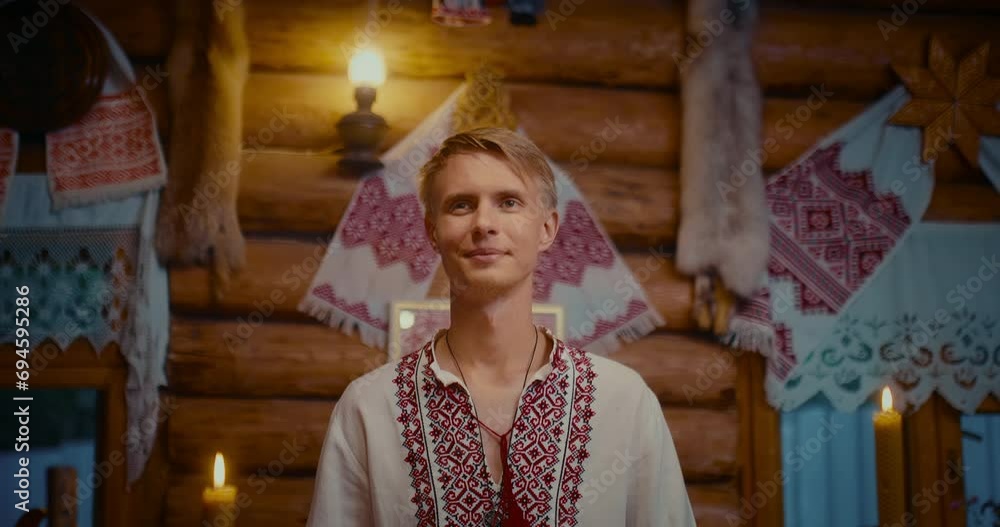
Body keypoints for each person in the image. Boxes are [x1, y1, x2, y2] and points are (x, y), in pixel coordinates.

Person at [306, 127, 696, 526]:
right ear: (432, 232)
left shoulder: (625, 403)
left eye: (508, 202)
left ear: (547, 228)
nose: (484, 223)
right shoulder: (370, 409)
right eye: (461, 205)